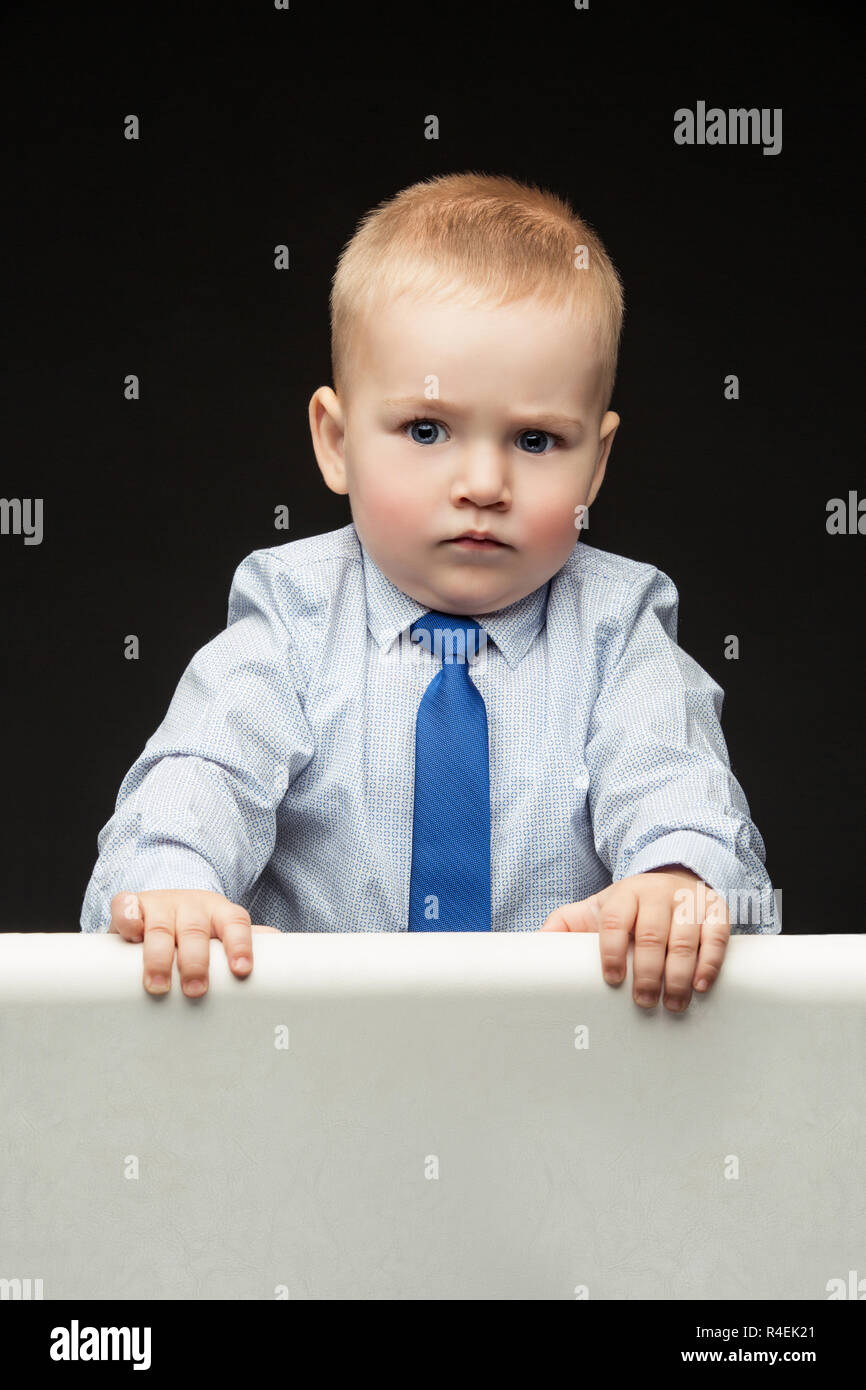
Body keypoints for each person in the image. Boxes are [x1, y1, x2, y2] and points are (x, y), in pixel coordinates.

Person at [80, 171, 779, 1010]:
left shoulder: (619, 628)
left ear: (596, 461)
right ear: (336, 442)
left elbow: (675, 777)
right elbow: (203, 771)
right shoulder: (291, 615)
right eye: (426, 429)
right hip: (311, 1073)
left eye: (535, 439)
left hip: (570, 1081)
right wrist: (174, 883)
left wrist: (676, 876)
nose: (483, 483)